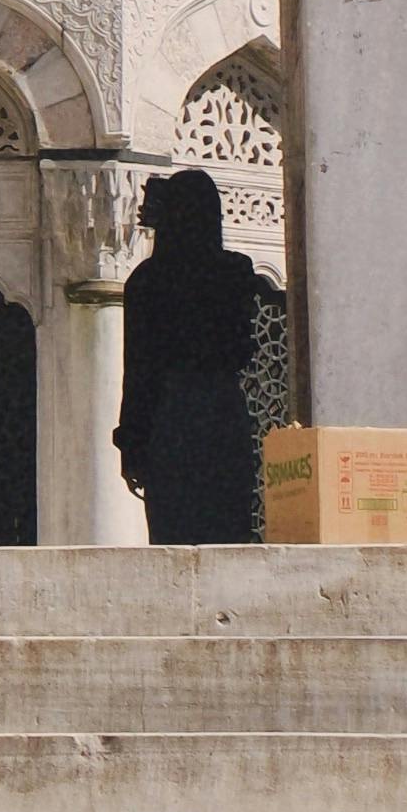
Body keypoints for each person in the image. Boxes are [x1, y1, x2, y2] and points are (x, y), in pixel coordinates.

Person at [116, 165, 260, 542]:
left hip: (171, 419)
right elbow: (243, 348)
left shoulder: (148, 281)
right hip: (223, 412)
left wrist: (131, 446)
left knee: (175, 536)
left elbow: (139, 371)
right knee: (228, 529)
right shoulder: (236, 272)